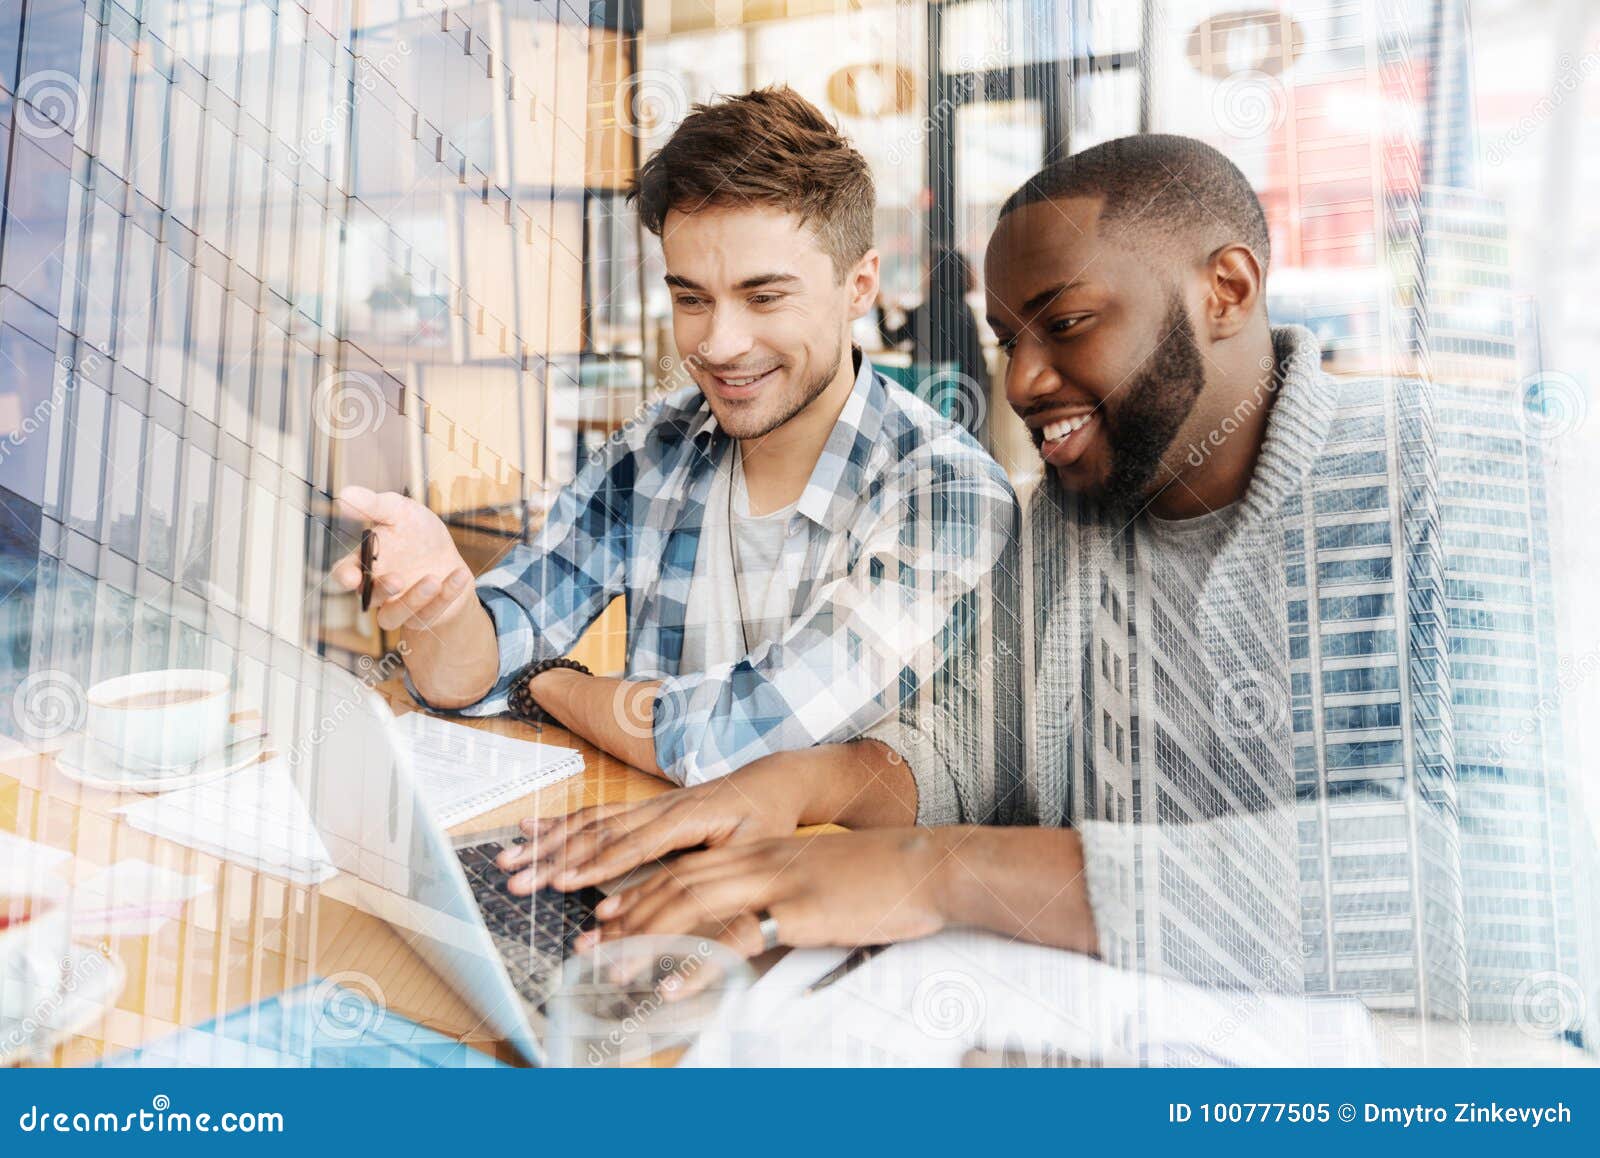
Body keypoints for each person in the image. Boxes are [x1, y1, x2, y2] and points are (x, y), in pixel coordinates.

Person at [510, 134, 1363, 977]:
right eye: (1006, 341)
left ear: (1227, 290)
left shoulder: (1443, 476)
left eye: (1065, 324)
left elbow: (1471, 882)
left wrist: (938, 869)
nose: (1022, 383)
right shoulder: (1066, 518)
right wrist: (803, 784)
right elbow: (968, 752)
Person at [331, 87, 1017, 788]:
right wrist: (447, 605)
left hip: (837, 881)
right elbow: (470, 673)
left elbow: (742, 737)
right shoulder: (653, 449)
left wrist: (552, 685)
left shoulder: (947, 489)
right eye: (691, 298)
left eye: (764, 297)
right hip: (650, 860)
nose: (718, 345)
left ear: (860, 285)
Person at [876, 247, 989, 446]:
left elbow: (889, 339)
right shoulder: (965, 309)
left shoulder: (927, 309)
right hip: (970, 393)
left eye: (927, 270)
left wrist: (880, 307)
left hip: (935, 395)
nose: (924, 276)